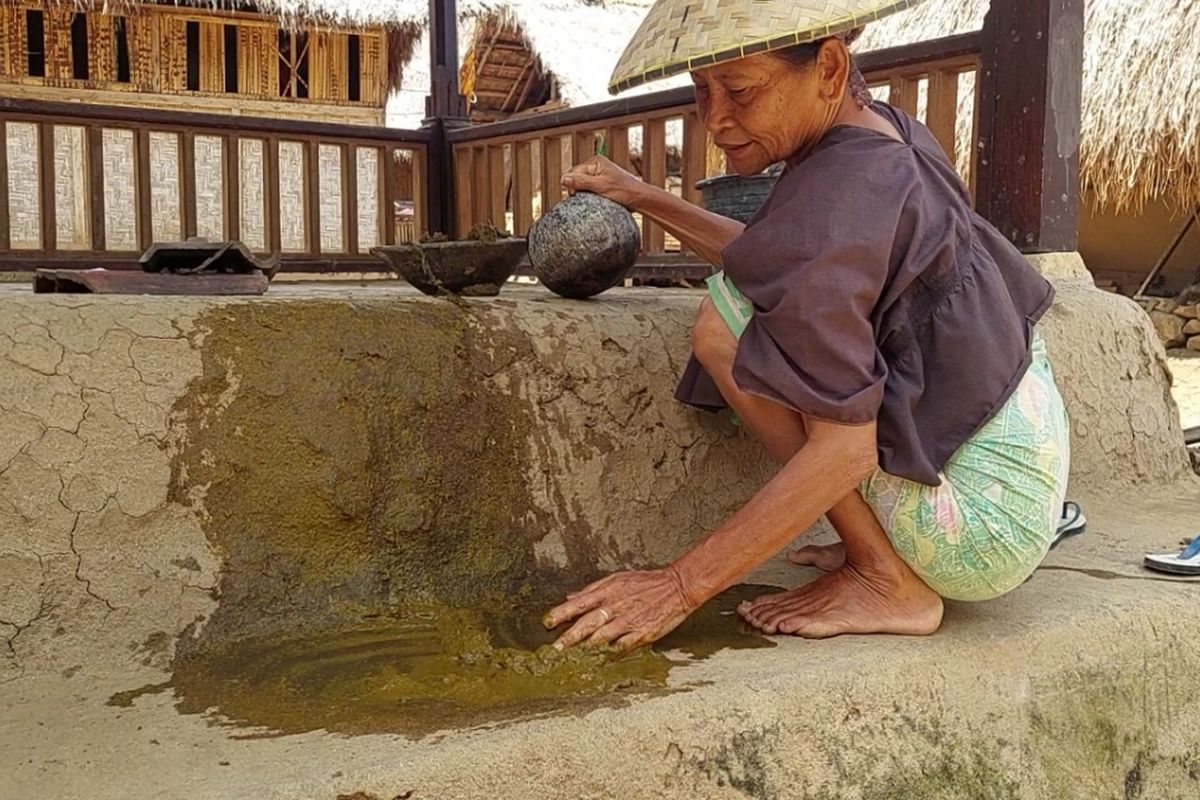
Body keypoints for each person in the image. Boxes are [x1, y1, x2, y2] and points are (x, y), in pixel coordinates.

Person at [543, 0, 1071, 650]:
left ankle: (887, 578)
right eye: (701, 92)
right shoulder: (885, 132)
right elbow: (781, 258)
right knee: (745, 302)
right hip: (1023, 483)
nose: (716, 121)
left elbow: (844, 446)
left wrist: (679, 586)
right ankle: (878, 552)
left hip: (976, 530)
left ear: (827, 68)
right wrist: (646, 197)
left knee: (722, 329)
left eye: (739, 91)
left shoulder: (835, 203)